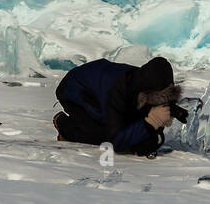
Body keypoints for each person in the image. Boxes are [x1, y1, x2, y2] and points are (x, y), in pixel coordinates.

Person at [53, 56, 187, 156]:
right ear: (146, 95)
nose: (160, 104)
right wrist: (153, 121)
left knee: (135, 131)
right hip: (75, 92)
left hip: (100, 87)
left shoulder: (142, 82)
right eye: (157, 101)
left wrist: (169, 113)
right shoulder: (116, 92)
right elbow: (115, 141)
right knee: (103, 135)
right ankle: (64, 124)